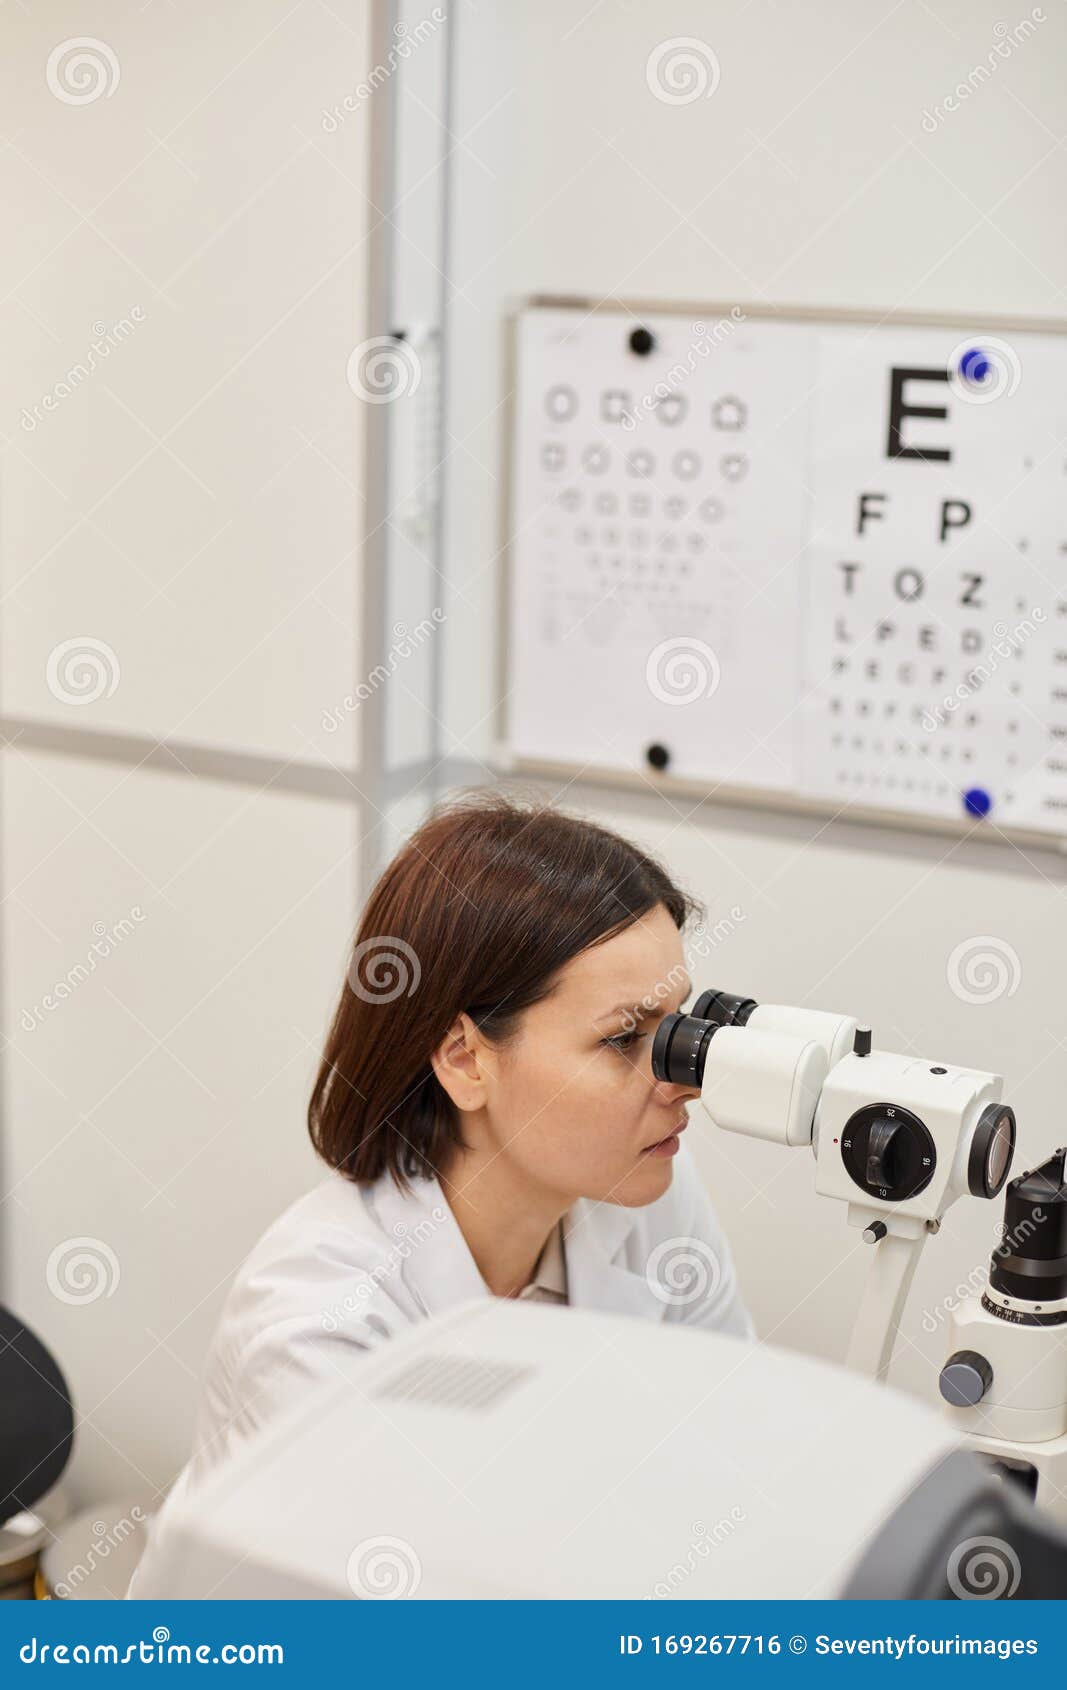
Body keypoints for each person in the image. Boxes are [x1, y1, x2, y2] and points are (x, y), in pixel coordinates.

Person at [128, 791, 753, 1595]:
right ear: (463, 1057)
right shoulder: (320, 1322)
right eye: (624, 1038)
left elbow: (732, 1455)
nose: (679, 1082)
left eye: (677, 1029)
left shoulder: (647, 1191)